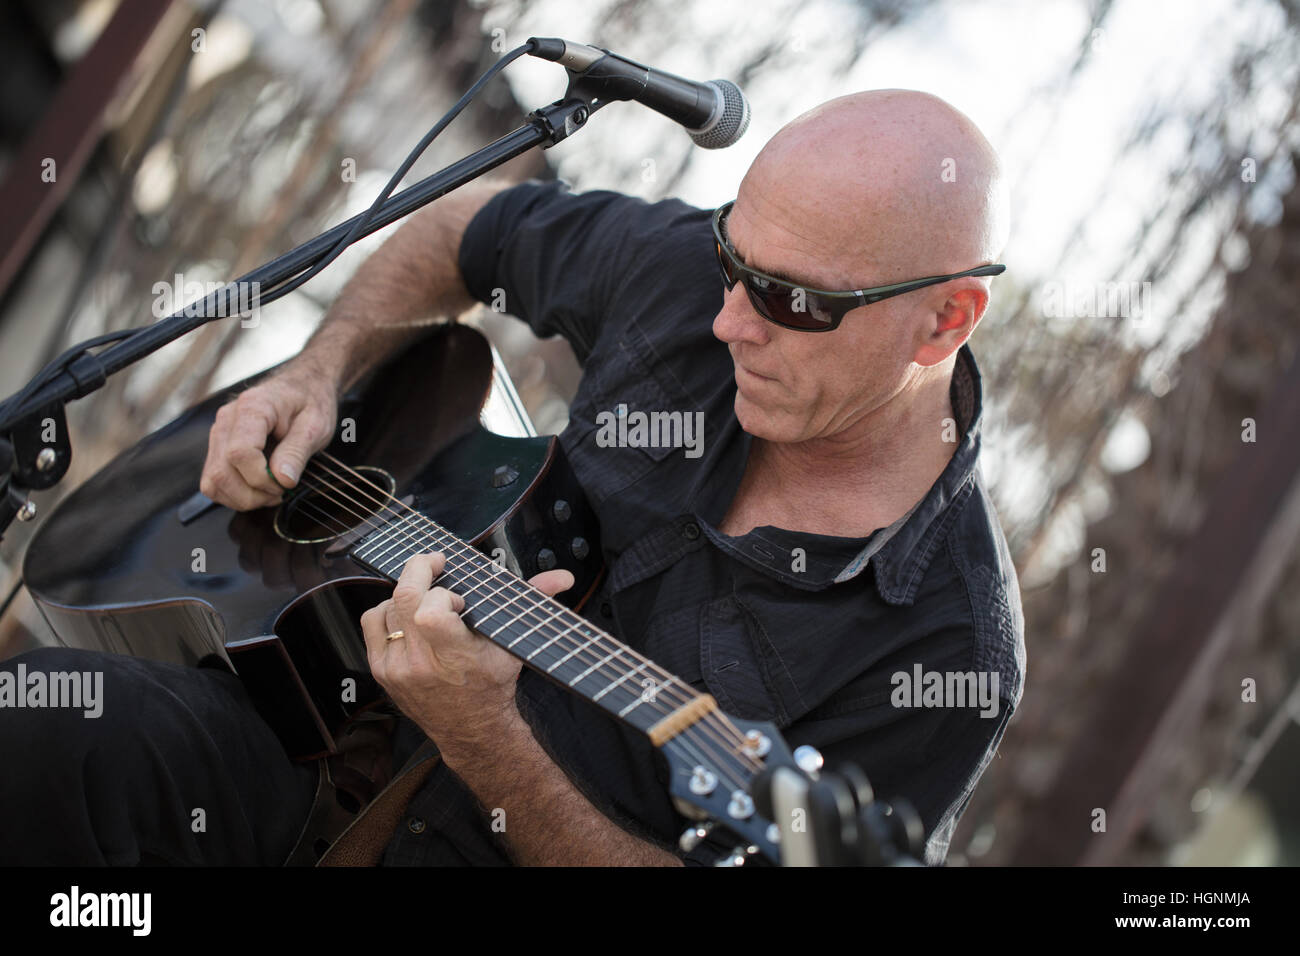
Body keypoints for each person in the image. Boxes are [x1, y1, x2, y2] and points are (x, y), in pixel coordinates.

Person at [0, 89, 1023, 866]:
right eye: (730, 256)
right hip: (311, 731)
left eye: (793, 302)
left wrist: (483, 733)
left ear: (943, 321)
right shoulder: (688, 279)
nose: (729, 319)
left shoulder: (945, 641)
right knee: (51, 717)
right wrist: (318, 372)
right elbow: (464, 230)